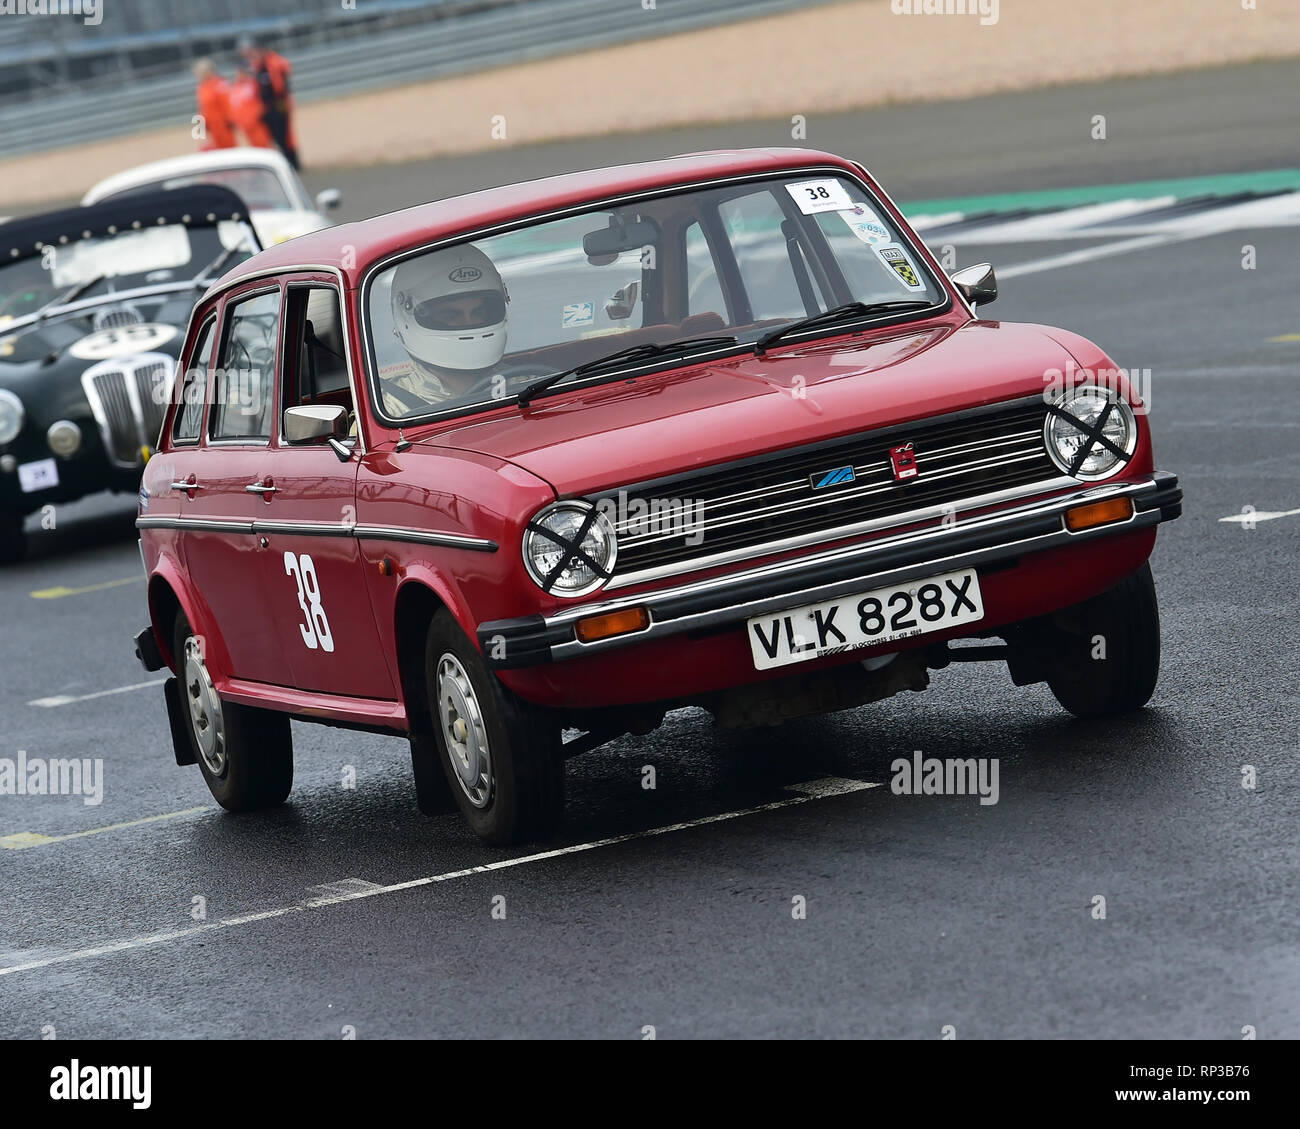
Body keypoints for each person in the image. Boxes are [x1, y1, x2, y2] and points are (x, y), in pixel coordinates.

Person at [381, 245, 511, 415]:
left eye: (478, 312)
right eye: (451, 316)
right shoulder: (389, 409)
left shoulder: (524, 384)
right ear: (406, 316)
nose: (469, 323)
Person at [239, 37, 299, 169]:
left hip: (277, 105)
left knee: (283, 136)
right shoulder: (261, 66)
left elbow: (278, 86)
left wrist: (278, 102)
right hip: (270, 107)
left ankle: (292, 163)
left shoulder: (272, 64)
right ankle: (288, 163)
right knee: (277, 137)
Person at [193, 59, 236, 150]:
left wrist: (230, 120)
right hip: (212, 127)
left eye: (200, 72)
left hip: (223, 125)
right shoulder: (202, 87)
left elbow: (227, 103)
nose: (198, 75)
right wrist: (201, 126)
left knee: (229, 149)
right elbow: (202, 108)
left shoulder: (220, 83)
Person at [228, 66, 274, 149]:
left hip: (257, 122)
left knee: (264, 144)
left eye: (242, 73)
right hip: (246, 125)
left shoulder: (252, 84)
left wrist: (259, 114)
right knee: (254, 146)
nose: (240, 75)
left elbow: (260, 100)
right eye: (239, 73)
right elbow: (234, 106)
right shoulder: (234, 89)